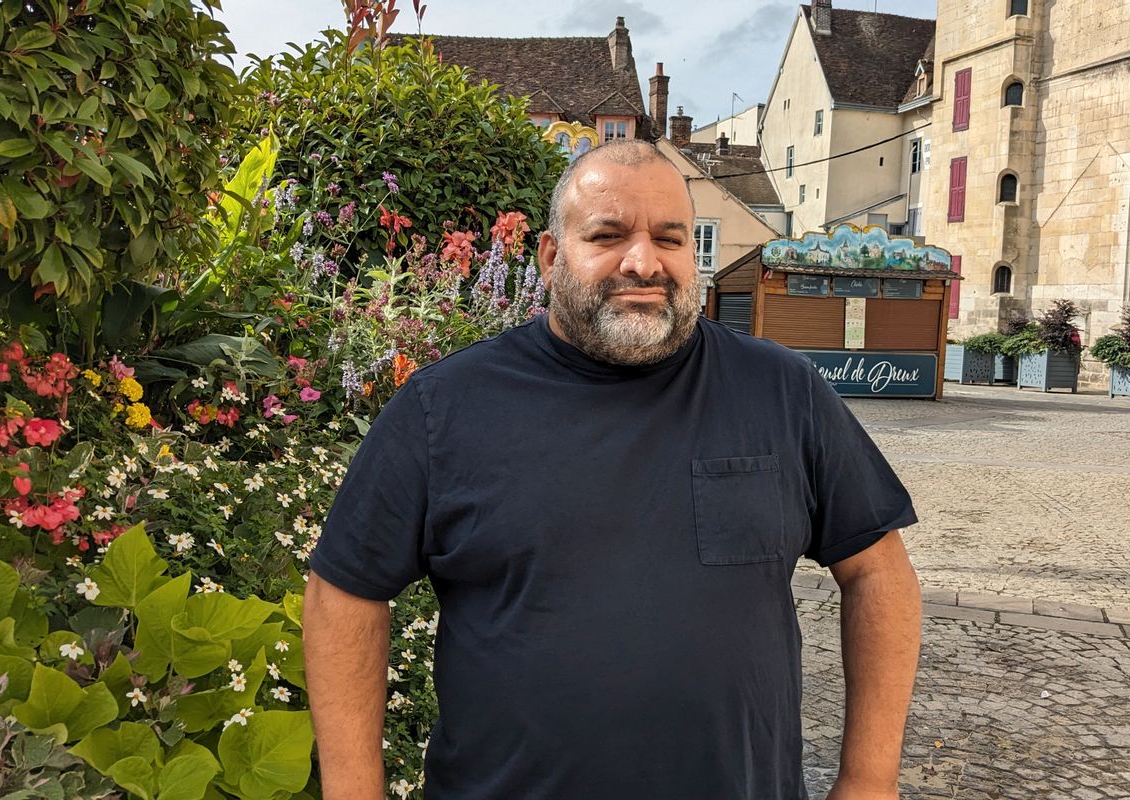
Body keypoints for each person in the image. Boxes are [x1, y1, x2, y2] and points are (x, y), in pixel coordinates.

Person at [304, 139, 922, 800]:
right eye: (608, 235)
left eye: (671, 238)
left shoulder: (781, 392)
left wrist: (868, 779)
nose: (643, 261)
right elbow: (344, 592)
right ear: (549, 256)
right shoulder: (443, 408)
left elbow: (879, 572)